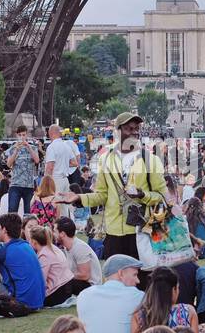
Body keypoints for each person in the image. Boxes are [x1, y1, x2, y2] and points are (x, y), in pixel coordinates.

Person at [59, 112, 166, 261]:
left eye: (137, 129)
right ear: (118, 131)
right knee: (114, 280)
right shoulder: (106, 158)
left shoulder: (150, 160)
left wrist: (143, 195)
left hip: (141, 232)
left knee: (139, 280)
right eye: (129, 129)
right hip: (113, 232)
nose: (134, 133)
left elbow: (162, 196)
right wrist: (79, 197)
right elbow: (102, 195)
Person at [0, 212, 45, 311]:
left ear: (4, 230)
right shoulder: (27, 246)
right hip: (38, 302)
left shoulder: (4, 252)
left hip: (20, 303)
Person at [29, 225, 87, 307]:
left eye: (29, 240)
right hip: (67, 286)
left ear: (34, 242)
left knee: (32, 300)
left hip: (59, 291)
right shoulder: (53, 248)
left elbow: (41, 280)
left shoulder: (44, 255)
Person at [55, 217, 101, 286]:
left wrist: (64, 275)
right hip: (83, 284)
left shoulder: (79, 248)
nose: (53, 234)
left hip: (92, 287)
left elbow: (85, 275)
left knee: (63, 284)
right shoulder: (67, 247)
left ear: (62, 234)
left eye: (54, 231)